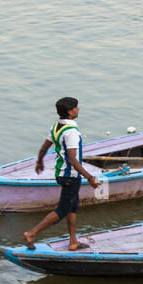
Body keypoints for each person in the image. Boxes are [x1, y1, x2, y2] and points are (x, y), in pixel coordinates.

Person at [22, 96, 100, 251]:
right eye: (76, 108)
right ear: (70, 112)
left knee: (73, 206)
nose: (78, 109)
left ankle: (73, 242)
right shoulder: (71, 132)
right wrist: (90, 177)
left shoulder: (56, 127)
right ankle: (31, 233)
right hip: (70, 175)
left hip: (62, 173)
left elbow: (44, 147)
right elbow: (72, 159)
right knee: (63, 209)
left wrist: (40, 161)